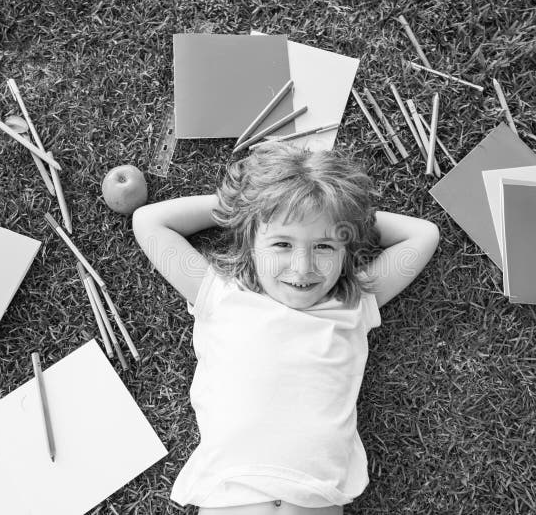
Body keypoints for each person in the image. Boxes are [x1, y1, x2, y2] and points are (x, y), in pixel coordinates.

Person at [133, 143, 439, 514]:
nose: (302, 266)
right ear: (250, 240)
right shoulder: (221, 295)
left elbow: (423, 235)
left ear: (345, 250)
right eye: (281, 243)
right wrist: (246, 207)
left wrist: (343, 213)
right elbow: (150, 222)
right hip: (231, 499)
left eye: (324, 246)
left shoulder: (351, 305)